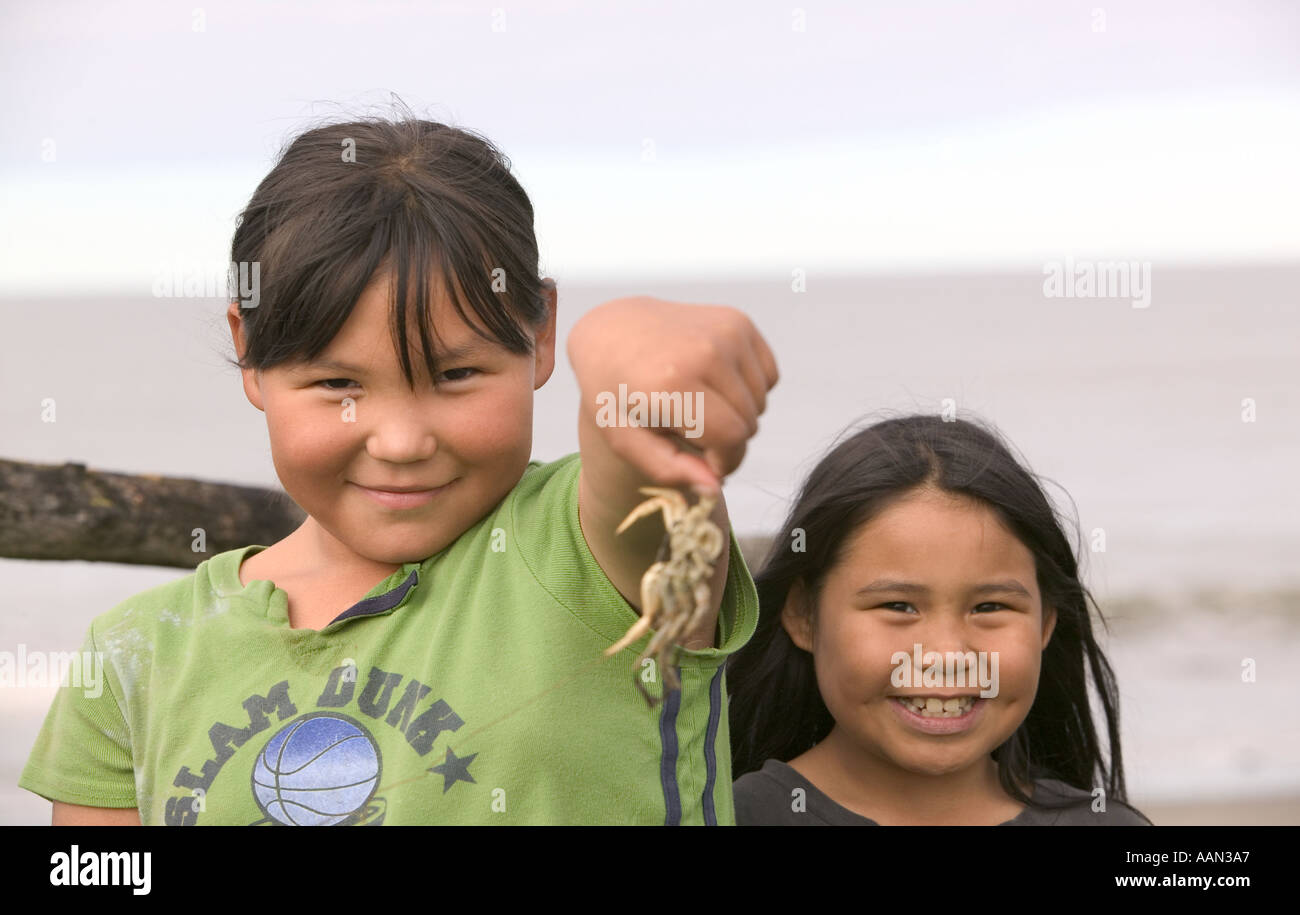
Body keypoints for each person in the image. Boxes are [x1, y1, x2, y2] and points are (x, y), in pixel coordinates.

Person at [19, 107, 777, 825]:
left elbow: (648, 455)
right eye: (338, 384)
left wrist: (621, 341)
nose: (401, 441)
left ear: (541, 336)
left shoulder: (593, 553)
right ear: (247, 348)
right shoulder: (136, 654)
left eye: (455, 376)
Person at [727, 414, 1150, 825]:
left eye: (989, 607)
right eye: (898, 606)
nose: (947, 654)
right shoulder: (721, 817)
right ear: (804, 616)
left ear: (1044, 623)